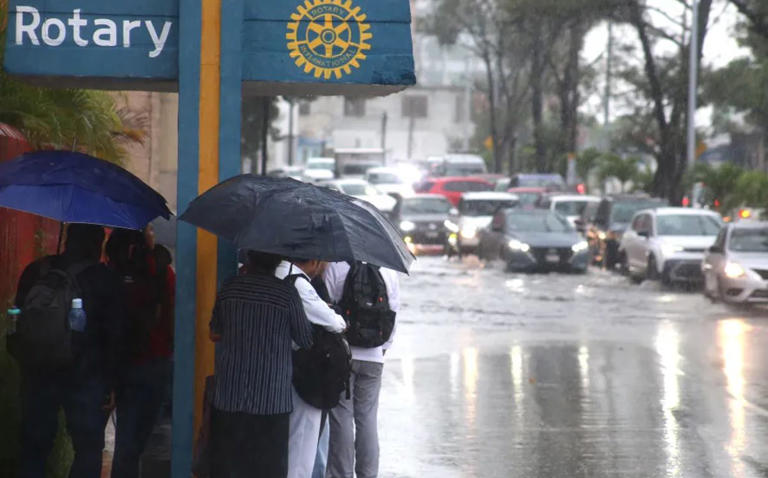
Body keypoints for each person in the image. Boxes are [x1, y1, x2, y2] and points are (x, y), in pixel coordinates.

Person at [11, 224, 125, 478]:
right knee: (87, 449)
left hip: (39, 372)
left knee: (34, 447)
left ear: (67, 241)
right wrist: (112, 384)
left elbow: (18, 318)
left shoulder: (36, 271)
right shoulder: (105, 279)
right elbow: (115, 336)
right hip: (86, 375)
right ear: (98, 245)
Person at [209, 250, 313, 478]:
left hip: (230, 394)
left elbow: (214, 332)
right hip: (271, 399)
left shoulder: (230, 287)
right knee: (267, 469)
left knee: (229, 467)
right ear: (277, 262)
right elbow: (305, 339)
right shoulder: (286, 293)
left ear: (249, 258)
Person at [107, 228, 175, 478]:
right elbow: (173, 315)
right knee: (152, 437)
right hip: (156, 361)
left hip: (123, 362)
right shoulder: (162, 271)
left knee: (126, 437)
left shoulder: (112, 271)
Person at [323, 262, 400, 478]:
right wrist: (382, 348)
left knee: (341, 417)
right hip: (374, 357)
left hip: (342, 355)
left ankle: (342, 473)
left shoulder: (335, 267)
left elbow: (326, 310)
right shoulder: (388, 270)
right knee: (367, 419)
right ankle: (368, 474)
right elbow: (393, 313)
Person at [275, 259, 347, 478]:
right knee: (302, 443)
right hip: (304, 373)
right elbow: (335, 323)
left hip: (277, 369)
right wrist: (335, 314)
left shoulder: (274, 276)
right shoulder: (298, 283)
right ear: (314, 261)